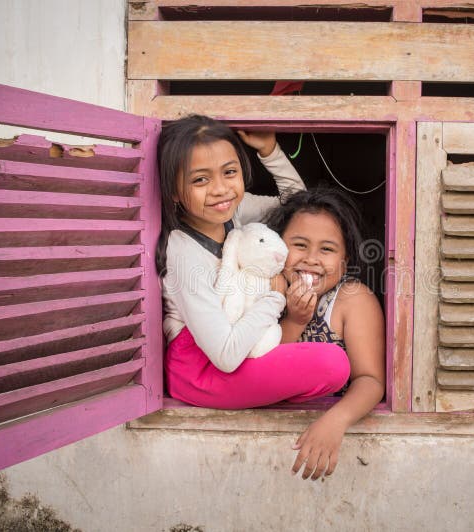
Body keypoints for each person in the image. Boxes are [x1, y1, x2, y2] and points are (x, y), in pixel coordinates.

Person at [157, 115, 350, 438]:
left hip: (237, 348)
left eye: (229, 173)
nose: (220, 189)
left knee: (330, 364)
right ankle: (253, 392)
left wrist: (270, 151)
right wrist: (274, 298)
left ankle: (257, 390)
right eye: (200, 180)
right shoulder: (183, 253)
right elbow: (225, 355)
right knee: (333, 364)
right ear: (174, 192)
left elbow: (297, 206)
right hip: (203, 372)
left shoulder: (233, 210)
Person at [266, 188, 386, 480]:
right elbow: (260, 368)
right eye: (300, 245)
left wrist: (336, 421)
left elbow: (371, 381)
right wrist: (295, 320)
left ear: (344, 261)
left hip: (330, 448)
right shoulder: (266, 292)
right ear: (278, 248)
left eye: (327, 249)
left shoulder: (352, 299)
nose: (311, 259)